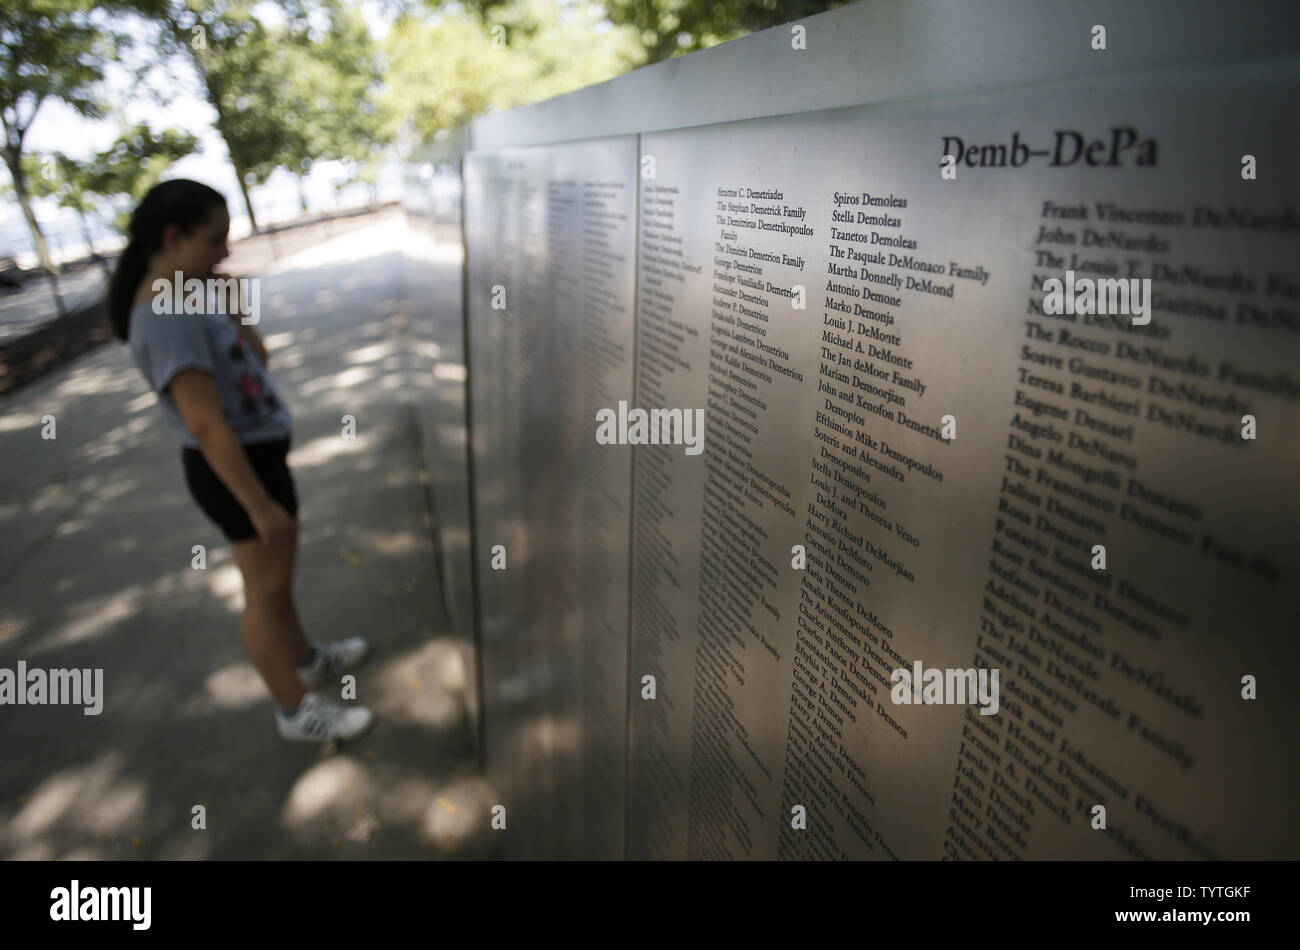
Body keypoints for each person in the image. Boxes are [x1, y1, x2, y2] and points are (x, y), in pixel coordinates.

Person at [107, 179, 374, 744]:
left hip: (256, 463)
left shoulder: (191, 295)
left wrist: (234, 308)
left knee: (278, 585)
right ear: (172, 238)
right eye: (216, 239)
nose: (226, 252)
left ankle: (305, 659)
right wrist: (258, 504)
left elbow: (260, 360)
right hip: (239, 476)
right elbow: (204, 423)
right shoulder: (164, 316)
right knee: (265, 595)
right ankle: (294, 710)